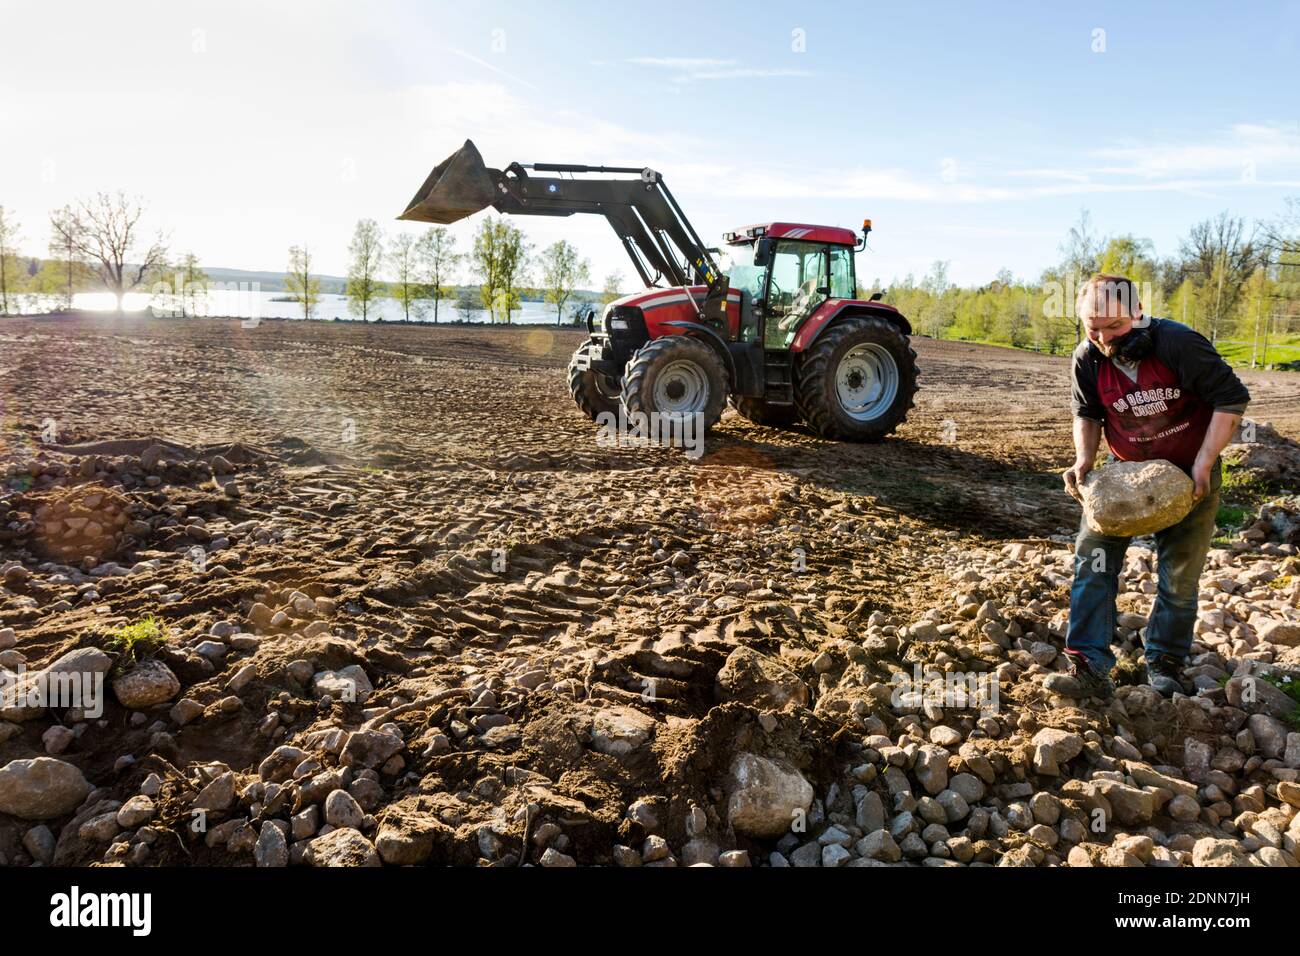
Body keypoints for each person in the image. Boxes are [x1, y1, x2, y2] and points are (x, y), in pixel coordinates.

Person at [1055, 274, 1250, 700]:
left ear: (1138, 314)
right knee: (1094, 565)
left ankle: (1164, 662)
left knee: (1179, 576)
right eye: (1094, 327)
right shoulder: (1087, 358)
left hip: (1190, 475)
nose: (1104, 338)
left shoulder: (1179, 344)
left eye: (1115, 327)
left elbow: (1230, 399)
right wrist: (1084, 460)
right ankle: (1088, 662)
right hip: (1122, 480)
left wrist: (1204, 462)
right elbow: (1087, 412)